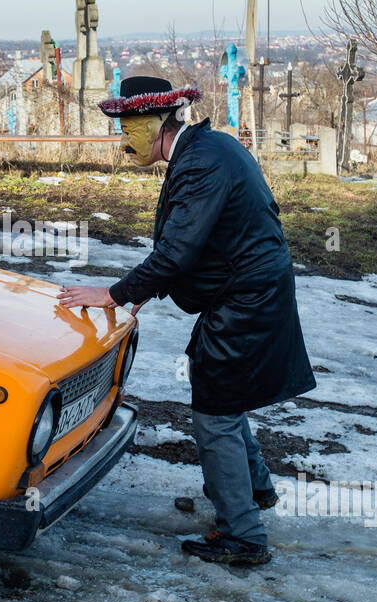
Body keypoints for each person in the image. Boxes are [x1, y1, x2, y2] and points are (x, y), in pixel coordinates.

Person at [57, 76, 316, 567]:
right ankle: (256, 491)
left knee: (214, 413)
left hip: (247, 299)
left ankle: (243, 535)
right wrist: (145, 291)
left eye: (126, 128)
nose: (122, 140)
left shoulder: (198, 164)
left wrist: (113, 294)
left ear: (153, 123)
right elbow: (198, 243)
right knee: (223, 393)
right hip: (248, 292)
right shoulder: (207, 149)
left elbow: (177, 251)